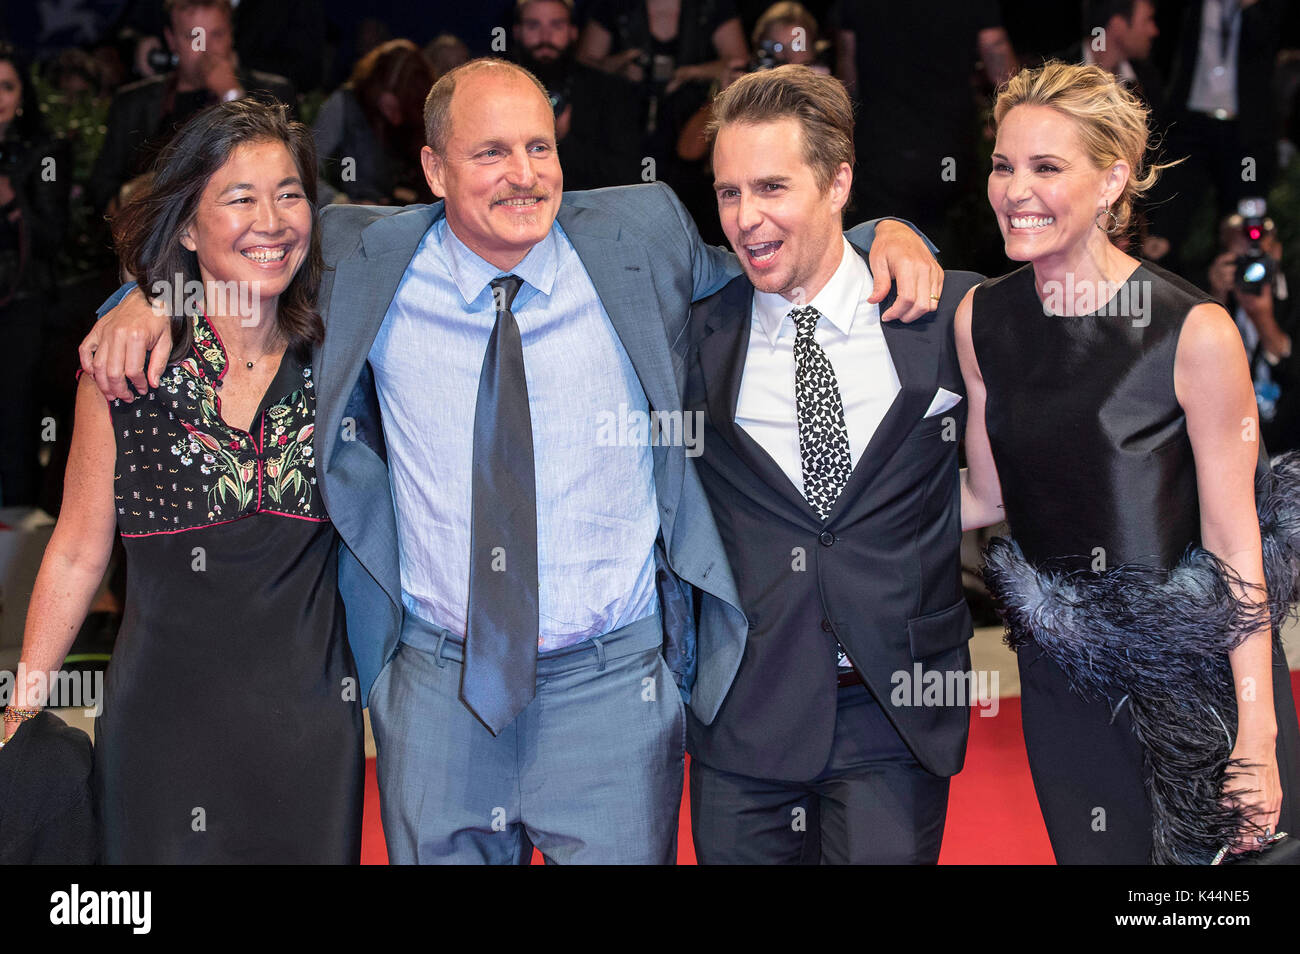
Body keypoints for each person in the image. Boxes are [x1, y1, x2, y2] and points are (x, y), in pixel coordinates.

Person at [80, 57, 940, 864]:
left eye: (539, 146)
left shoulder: (642, 235)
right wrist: (146, 297)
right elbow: (245, 249)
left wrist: (883, 233)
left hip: (613, 689)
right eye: (490, 152)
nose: (523, 174)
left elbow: (777, 258)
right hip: (438, 690)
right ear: (434, 168)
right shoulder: (361, 254)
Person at [958, 61, 1300, 864]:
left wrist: (1259, 725)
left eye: (1047, 167)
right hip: (1063, 685)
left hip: (1197, 677)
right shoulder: (983, 319)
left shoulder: (1196, 331)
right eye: (1004, 165)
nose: (1015, 190)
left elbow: (1235, 540)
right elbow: (983, 495)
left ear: (1112, 180)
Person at [5, 98, 364, 862]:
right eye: (240, 198)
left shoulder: (343, 361)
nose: (272, 219)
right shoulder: (123, 373)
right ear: (190, 227)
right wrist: (25, 699)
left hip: (313, 733)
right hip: (160, 730)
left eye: (290, 193)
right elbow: (74, 550)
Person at [682, 65, 981, 864]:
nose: (747, 219)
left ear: (839, 180)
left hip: (895, 711)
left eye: (772, 187)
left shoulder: (944, 314)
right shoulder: (697, 333)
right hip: (744, 718)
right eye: (728, 193)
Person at [88, 0, 295, 215]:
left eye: (216, 35)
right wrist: (135, 197)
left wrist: (231, 95)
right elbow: (101, 188)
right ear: (171, 40)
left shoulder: (274, 95)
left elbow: (285, 175)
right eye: (194, 37)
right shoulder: (133, 102)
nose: (206, 50)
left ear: (231, 35)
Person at [0, 43, 71, 507]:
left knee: (14, 414)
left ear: (23, 95)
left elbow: (54, 236)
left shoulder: (45, 153)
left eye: (6, 86)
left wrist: (11, 204)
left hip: (20, 302)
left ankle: (17, 519)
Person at [510, 0, 644, 190]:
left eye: (556, 25)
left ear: (573, 32)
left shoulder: (608, 91)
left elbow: (627, 175)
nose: (545, 36)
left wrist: (563, 141)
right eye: (533, 25)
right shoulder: (494, 89)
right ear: (517, 32)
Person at [1207, 211, 1299, 454]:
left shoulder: (1295, 294)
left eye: (1259, 258)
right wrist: (1213, 298)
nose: (1252, 269)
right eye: (1241, 260)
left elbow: (1293, 372)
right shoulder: (1204, 294)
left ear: (1276, 252)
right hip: (1226, 435)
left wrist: (1262, 318)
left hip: (1286, 438)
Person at [313, 39, 435, 206]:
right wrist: (340, 202)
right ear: (375, 83)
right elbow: (305, 166)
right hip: (352, 215)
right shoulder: (346, 103)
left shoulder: (421, 115)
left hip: (407, 216)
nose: (394, 112)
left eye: (401, 105)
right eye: (388, 94)